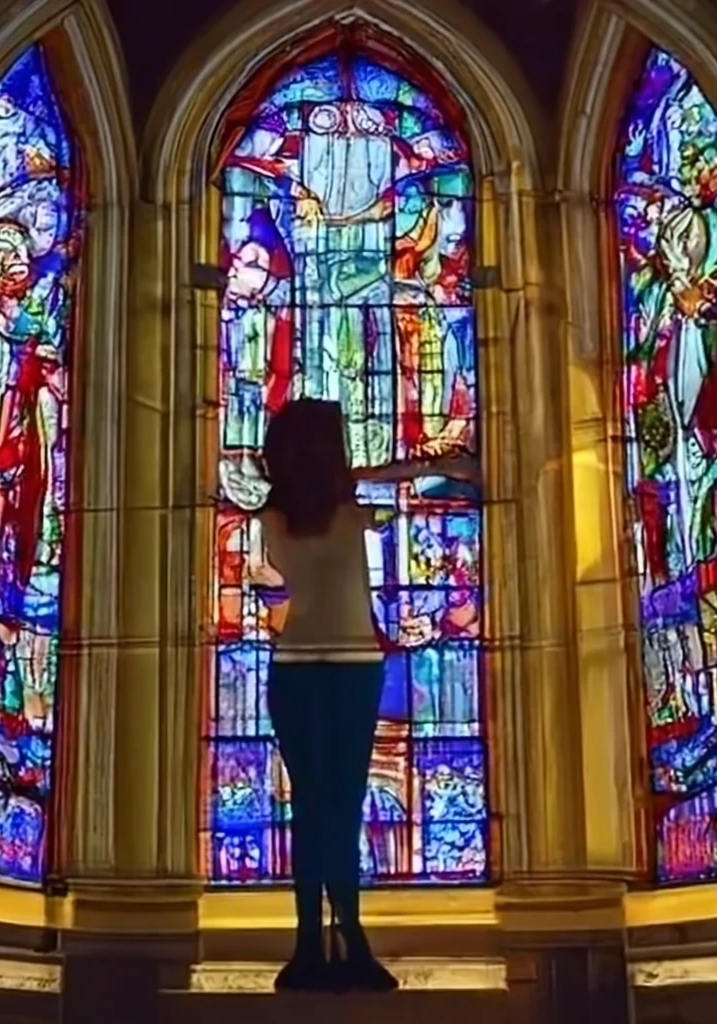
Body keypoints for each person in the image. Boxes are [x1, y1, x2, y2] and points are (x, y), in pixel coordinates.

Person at [257, 399, 478, 992]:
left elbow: (439, 475)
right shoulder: (350, 510)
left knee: (315, 809)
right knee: (337, 805)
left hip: (302, 669)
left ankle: (315, 944)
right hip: (347, 669)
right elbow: (434, 475)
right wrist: (408, 469)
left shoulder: (278, 515)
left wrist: (345, 479)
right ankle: (342, 939)